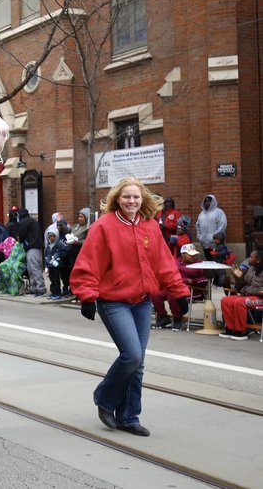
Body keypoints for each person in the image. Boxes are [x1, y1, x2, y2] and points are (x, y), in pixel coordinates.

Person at [71, 176, 190, 437]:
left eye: (136, 197)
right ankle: (104, 398)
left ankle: (128, 416)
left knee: (139, 362)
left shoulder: (150, 226)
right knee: (132, 356)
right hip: (113, 302)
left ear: (143, 199)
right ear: (117, 199)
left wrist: (178, 292)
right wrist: (87, 296)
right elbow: (89, 262)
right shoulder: (103, 226)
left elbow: (165, 264)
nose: (131, 201)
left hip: (141, 302)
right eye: (126, 196)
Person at [152, 243, 206, 330]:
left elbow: (205, 279)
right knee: (155, 294)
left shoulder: (200, 264)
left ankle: (177, 318)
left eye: (194, 254)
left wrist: (192, 281)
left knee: (173, 295)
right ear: (183, 255)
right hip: (174, 286)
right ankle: (163, 317)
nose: (194, 257)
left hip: (191, 289)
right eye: (191, 255)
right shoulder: (175, 262)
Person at [219, 249, 263, 340]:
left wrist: (248, 290)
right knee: (225, 300)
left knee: (240, 302)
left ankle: (241, 331)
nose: (249, 259)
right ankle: (231, 328)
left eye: (251, 257)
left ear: (258, 260)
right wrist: (238, 276)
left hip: (259, 297)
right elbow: (244, 284)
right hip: (247, 294)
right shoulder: (252, 268)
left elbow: (259, 290)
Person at [17, 208, 46, 296]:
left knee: (34, 268)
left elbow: (21, 234)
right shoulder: (32, 221)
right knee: (32, 268)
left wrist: (20, 240)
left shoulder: (25, 222)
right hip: (36, 246)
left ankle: (40, 288)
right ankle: (35, 288)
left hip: (32, 246)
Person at [196, 194, 227, 261]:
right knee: (209, 260)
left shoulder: (219, 212)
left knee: (217, 261)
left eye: (209, 201)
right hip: (205, 244)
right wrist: (199, 236)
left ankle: (218, 272)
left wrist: (215, 237)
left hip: (216, 245)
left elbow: (222, 225)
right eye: (205, 201)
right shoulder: (201, 214)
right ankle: (211, 272)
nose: (207, 203)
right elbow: (197, 226)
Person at [44, 231, 68, 300]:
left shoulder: (59, 244)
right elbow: (46, 256)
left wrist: (58, 255)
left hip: (57, 265)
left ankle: (58, 293)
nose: (52, 238)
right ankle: (53, 292)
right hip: (50, 265)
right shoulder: (48, 246)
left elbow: (64, 252)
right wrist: (46, 265)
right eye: (50, 236)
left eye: (53, 236)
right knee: (52, 279)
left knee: (56, 279)